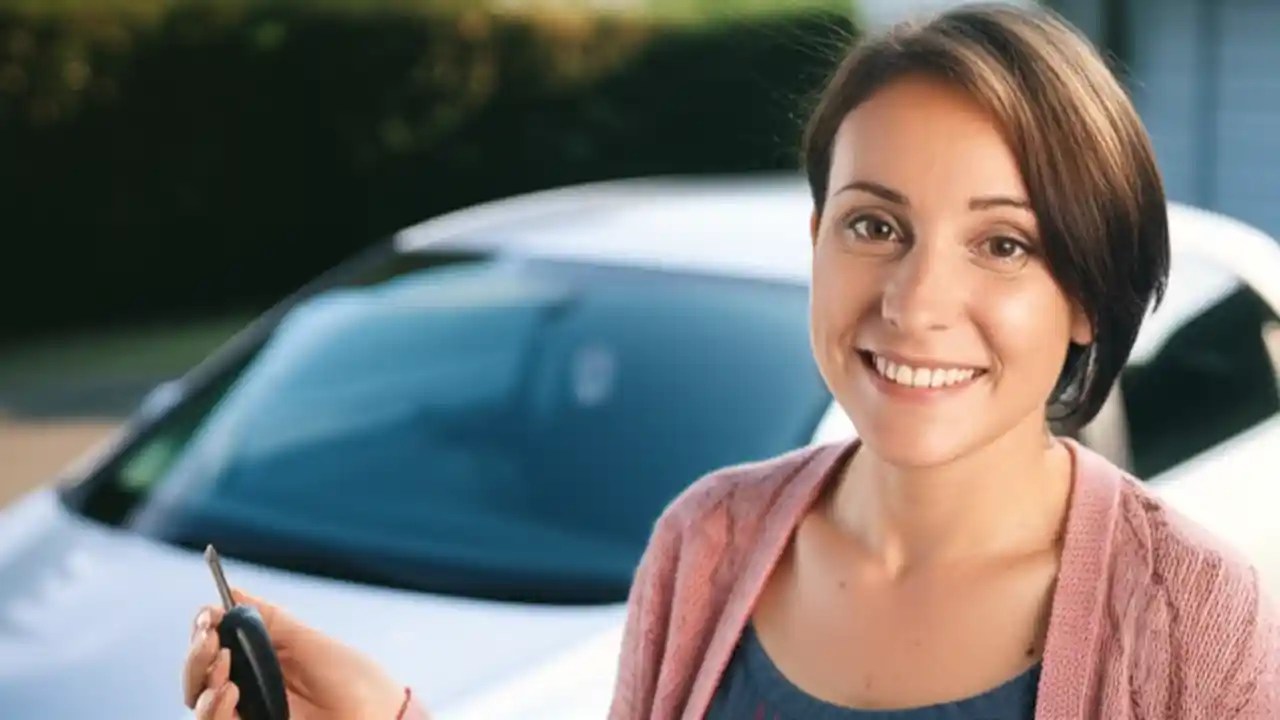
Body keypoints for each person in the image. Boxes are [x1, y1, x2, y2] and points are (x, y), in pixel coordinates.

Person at [182, 3, 1280, 718]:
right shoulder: (704, 545)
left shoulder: (1201, 620)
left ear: (1086, 293)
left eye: (1001, 244)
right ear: (814, 243)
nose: (912, 302)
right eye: (872, 225)